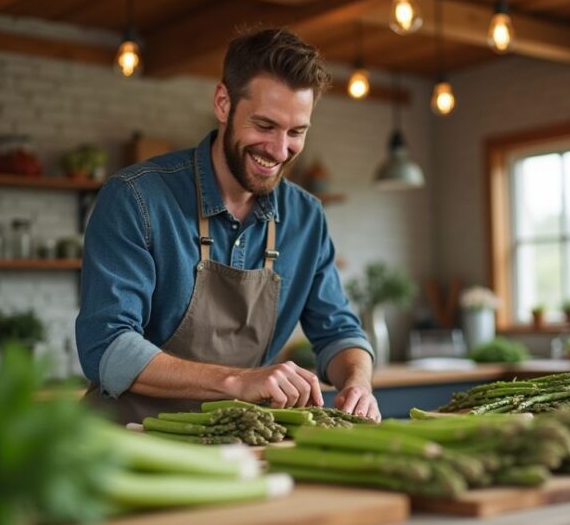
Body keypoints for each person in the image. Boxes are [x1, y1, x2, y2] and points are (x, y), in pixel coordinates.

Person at [76, 28, 379, 424]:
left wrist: (358, 383)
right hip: (128, 441)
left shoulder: (306, 218)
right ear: (223, 103)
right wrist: (237, 381)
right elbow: (107, 347)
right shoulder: (136, 198)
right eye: (265, 126)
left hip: (233, 444)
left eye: (296, 132)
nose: (279, 150)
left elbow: (339, 332)